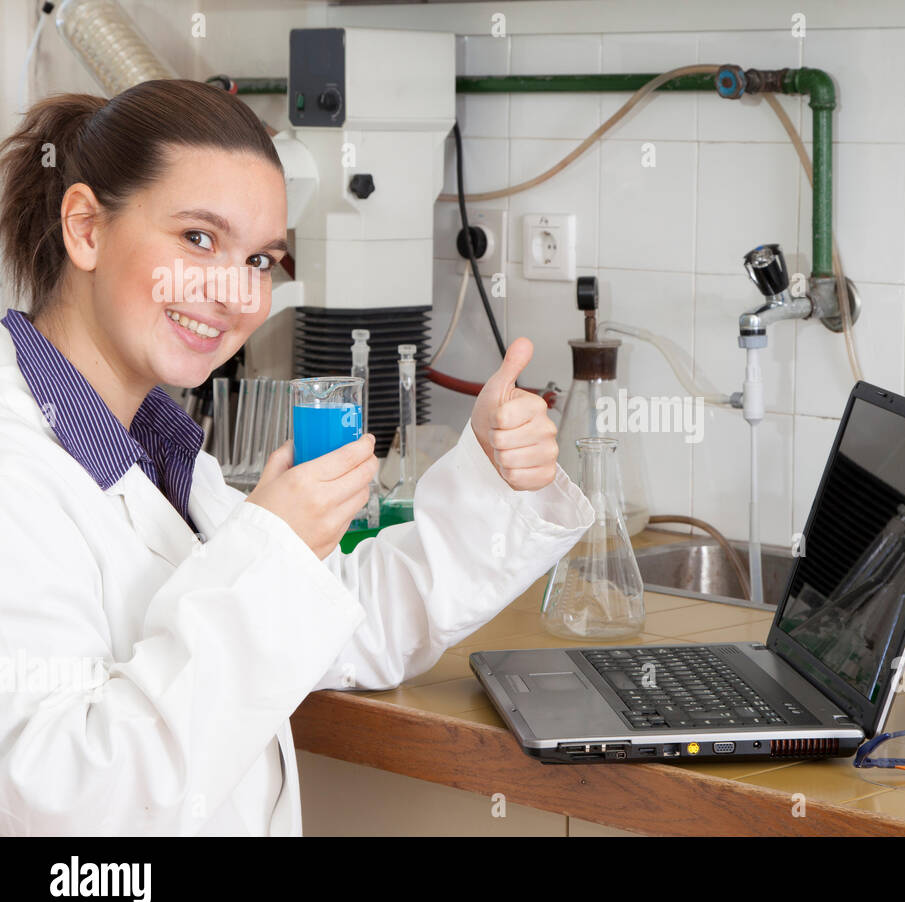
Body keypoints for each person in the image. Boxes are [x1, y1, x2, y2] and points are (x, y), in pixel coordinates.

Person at [0, 79, 594, 835]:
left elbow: (344, 625)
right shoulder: (17, 467)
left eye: (259, 259)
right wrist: (272, 550)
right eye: (198, 239)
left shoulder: (155, 449)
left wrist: (493, 473)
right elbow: (65, 799)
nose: (234, 292)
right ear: (85, 227)